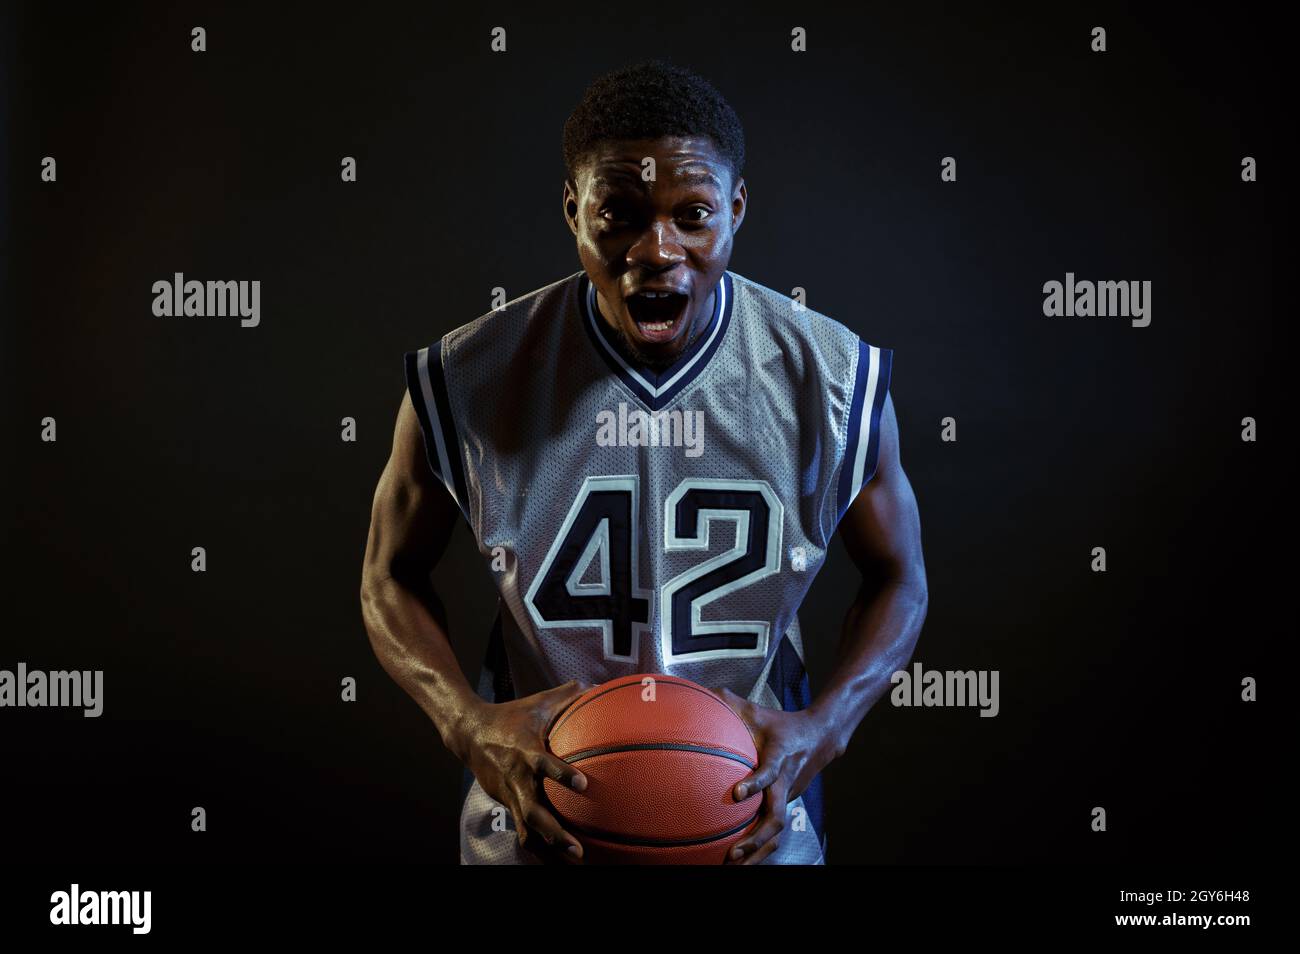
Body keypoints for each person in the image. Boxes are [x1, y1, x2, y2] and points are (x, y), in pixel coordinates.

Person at [360, 59, 927, 865]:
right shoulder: (467, 377)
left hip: (747, 805)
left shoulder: (832, 378)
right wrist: (465, 721)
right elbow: (388, 574)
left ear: (735, 210)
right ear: (573, 211)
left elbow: (901, 576)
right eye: (619, 214)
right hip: (540, 803)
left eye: (693, 215)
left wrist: (823, 731)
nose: (658, 250)